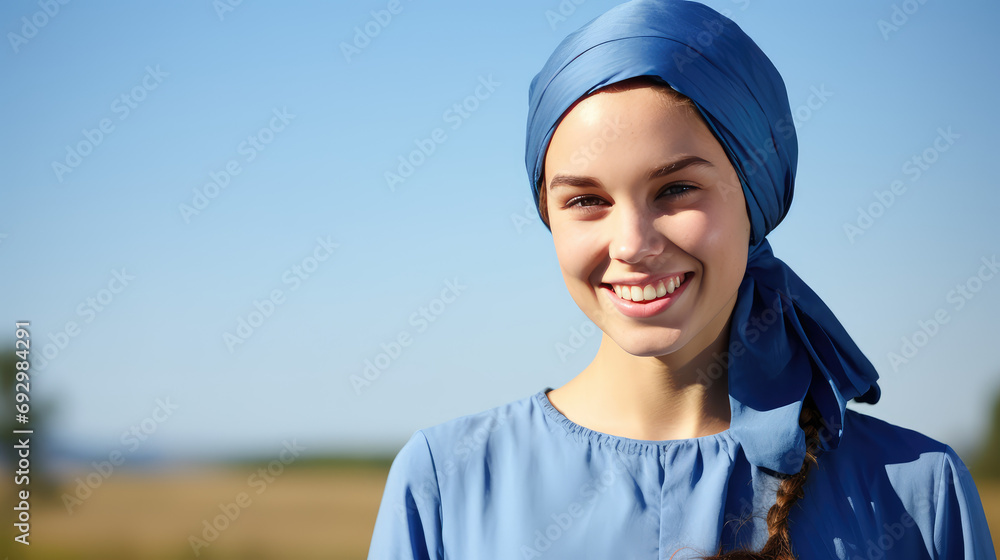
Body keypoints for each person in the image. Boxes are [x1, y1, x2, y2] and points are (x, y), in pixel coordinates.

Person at [366, 1, 996, 558]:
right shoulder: (446, 484)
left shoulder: (918, 494)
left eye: (676, 189)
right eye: (586, 200)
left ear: (755, 198)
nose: (633, 245)